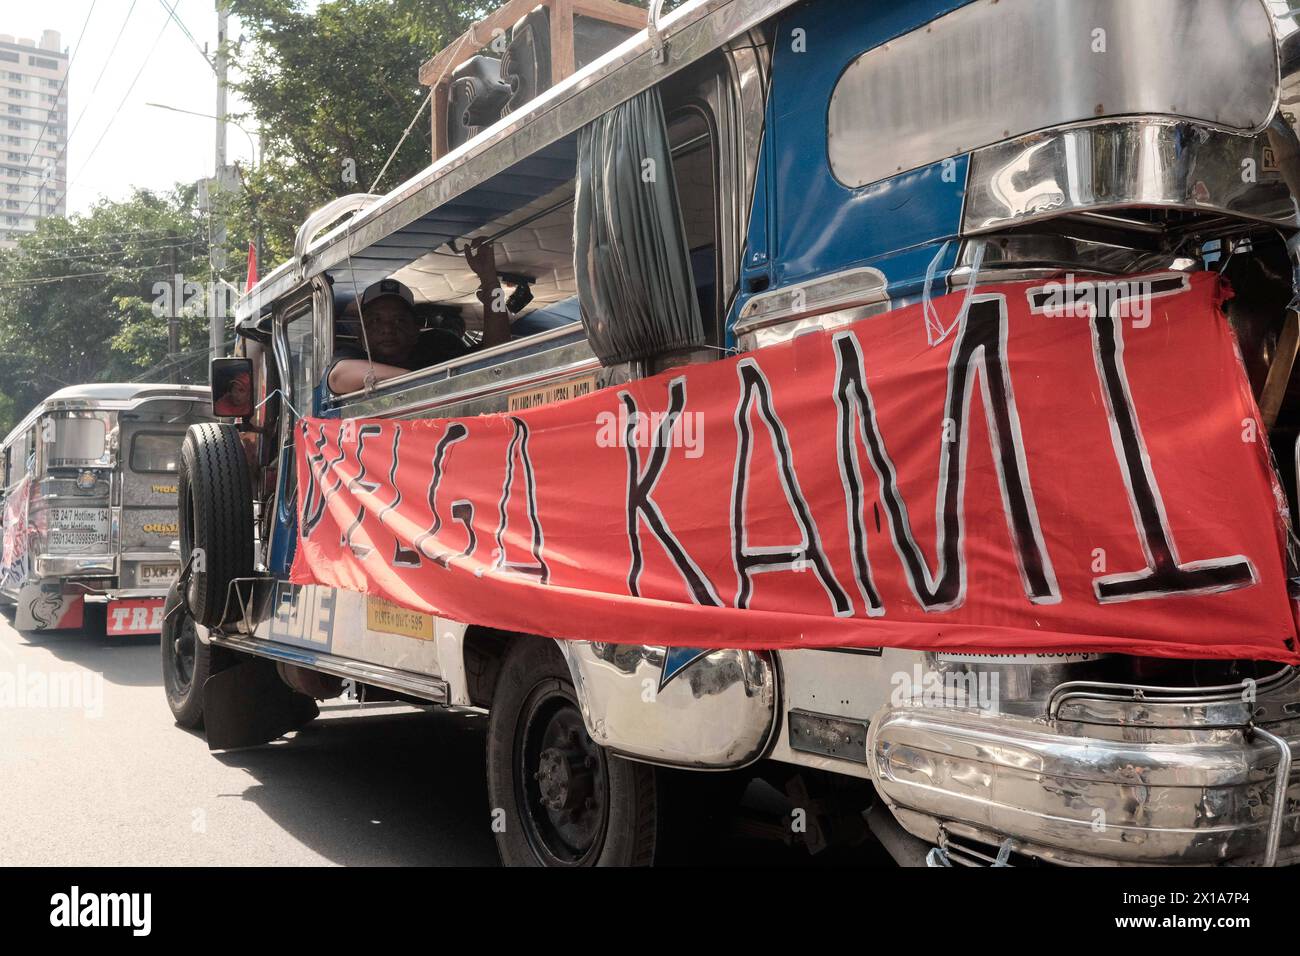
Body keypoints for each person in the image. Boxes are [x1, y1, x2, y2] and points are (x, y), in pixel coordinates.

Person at [327, 278, 466, 394]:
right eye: (376, 321)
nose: (387, 329)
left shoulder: (440, 346)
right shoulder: (351, 355)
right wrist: (416, 380)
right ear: (361, 331)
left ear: (415, 328)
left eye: (399, 320)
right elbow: (337, 377)